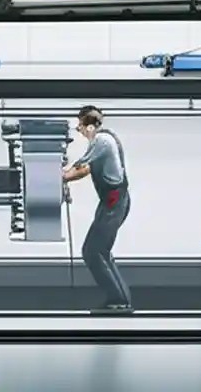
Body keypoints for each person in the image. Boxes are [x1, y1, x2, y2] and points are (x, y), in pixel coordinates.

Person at [62, 105, 133, 313]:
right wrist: (65, 178)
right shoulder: (103, 141)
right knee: (100, 250)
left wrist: (59, 175)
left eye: (80, 125)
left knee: (92, 251)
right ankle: (120, 300)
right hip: (112, 202)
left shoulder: (102, 141)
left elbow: (80, 164)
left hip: (114, 202)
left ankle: (119, 301)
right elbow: (85, 170)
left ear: (90, 126)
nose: (79, 130)